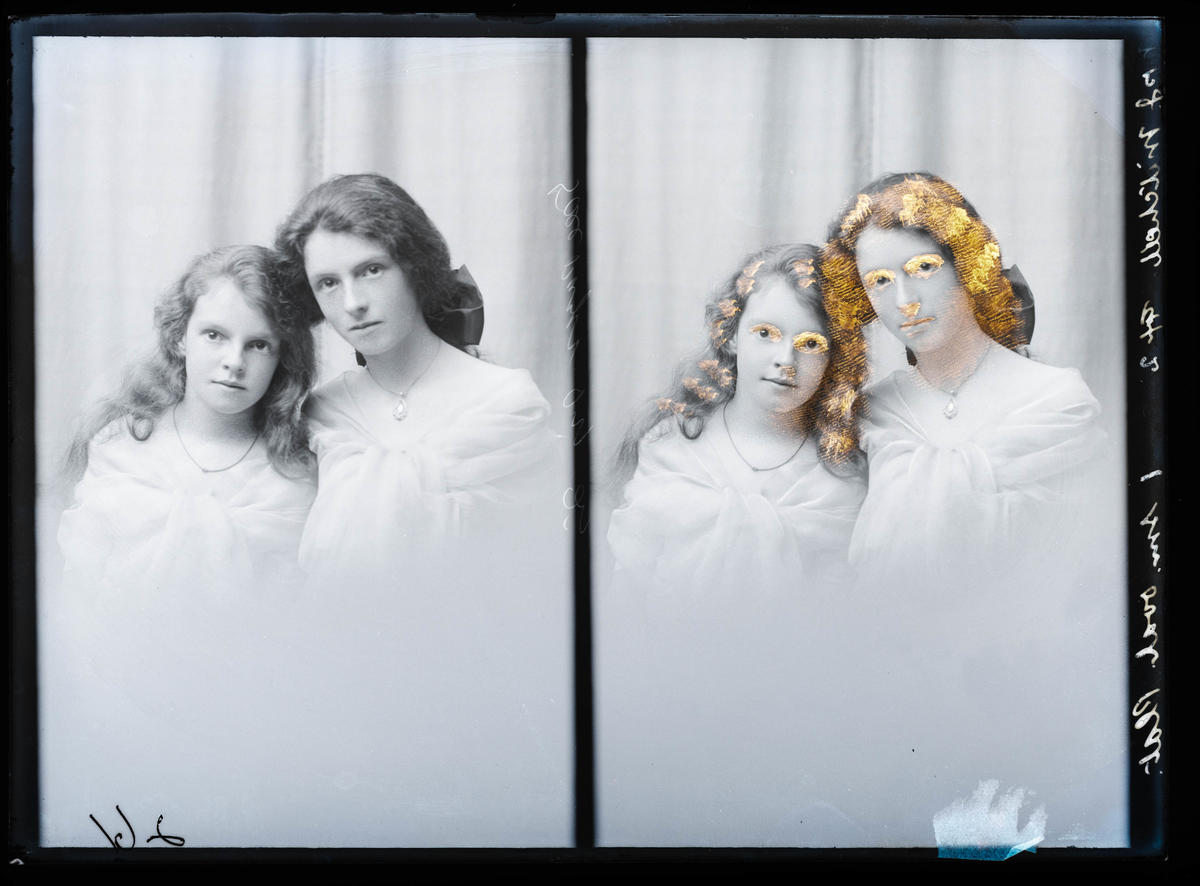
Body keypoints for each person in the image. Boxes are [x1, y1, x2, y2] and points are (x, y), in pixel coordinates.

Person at [816, 172, 1125, 846]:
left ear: (969, 264)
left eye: (923, 268)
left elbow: (1080, 581)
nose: (905, 300)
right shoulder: (875, 414)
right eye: (880, 283)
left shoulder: (1057, 402)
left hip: (1031, 711)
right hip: (893, 713)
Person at [272, 173, 568, 846]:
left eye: (370, 270)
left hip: (477, 713)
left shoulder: (505, 402)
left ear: (415, 265)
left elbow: (525, 591)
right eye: (328, 283)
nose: (353, 302)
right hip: (342, 711)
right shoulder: (321, 412)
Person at [45, 245, 320, 845]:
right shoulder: (123, 445)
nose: (233, 362)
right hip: (112, 718)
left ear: (283, 358)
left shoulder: (295, 476)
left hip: (238, 733)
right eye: (215, 335)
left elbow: (289, 638)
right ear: (179, 338)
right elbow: (78, 606)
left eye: (259, 345)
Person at [599, 244, 868, 846]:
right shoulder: (674, 447)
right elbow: (628, 602)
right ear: (732, 335)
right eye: (767, 333)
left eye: (811, 344)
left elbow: (837, 633)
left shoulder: (842, 476)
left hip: (792, 726)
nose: (784, 359)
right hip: (666, 713)